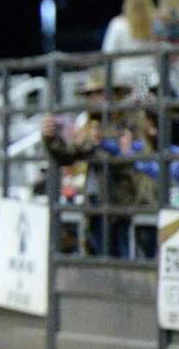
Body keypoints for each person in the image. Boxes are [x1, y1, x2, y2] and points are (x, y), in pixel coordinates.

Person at [41, 70, 156, 258]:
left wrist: (101, 138)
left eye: (100, 93)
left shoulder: (129, 118)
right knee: (102, 255)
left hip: (128, 203)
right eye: (91, 95)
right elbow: (68, 155)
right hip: (99, 203)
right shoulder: (89, 124)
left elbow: (136, 152)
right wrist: (50, 138)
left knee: (126, 256)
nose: (94, 99)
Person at [101, 0, 157, 91]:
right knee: (143, 104)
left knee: (135, 105)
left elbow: (107, 52)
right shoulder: (155, 24)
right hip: (148, 78)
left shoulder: (117, 24)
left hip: (124, 78)